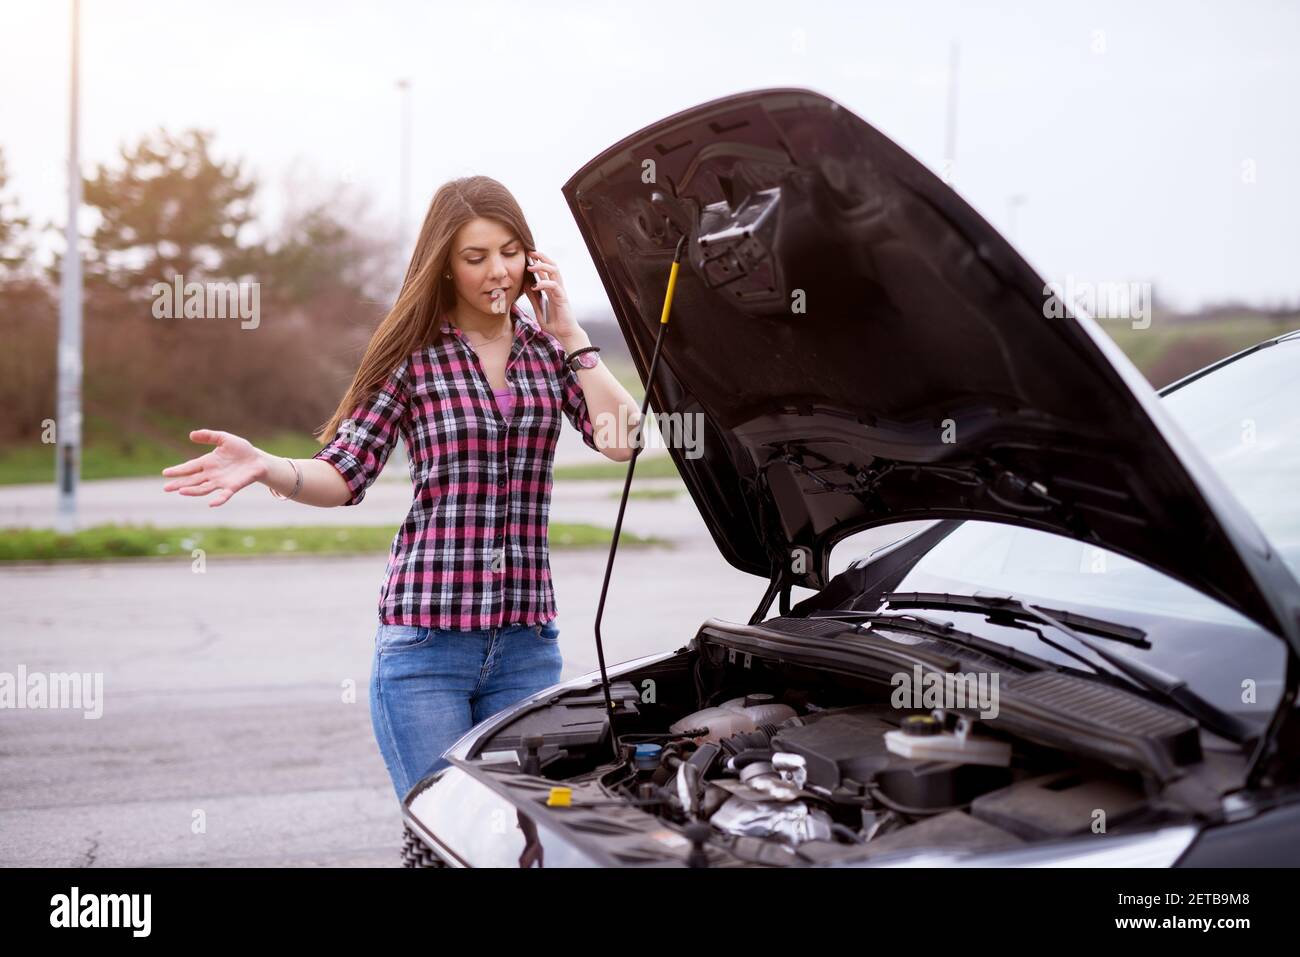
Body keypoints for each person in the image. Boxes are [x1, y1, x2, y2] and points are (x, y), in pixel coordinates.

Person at [161, 175, 641, 803]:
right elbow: (343, 474)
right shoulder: (413, 357)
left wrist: (573, 337)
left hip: (527, 645)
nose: (497, 270)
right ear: (444, 266)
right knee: (447, 832)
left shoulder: (550, 352)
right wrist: (266, 465)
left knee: (529, 837)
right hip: (427, 647)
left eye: (509, 251)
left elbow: (623, 439)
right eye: (475, 258)